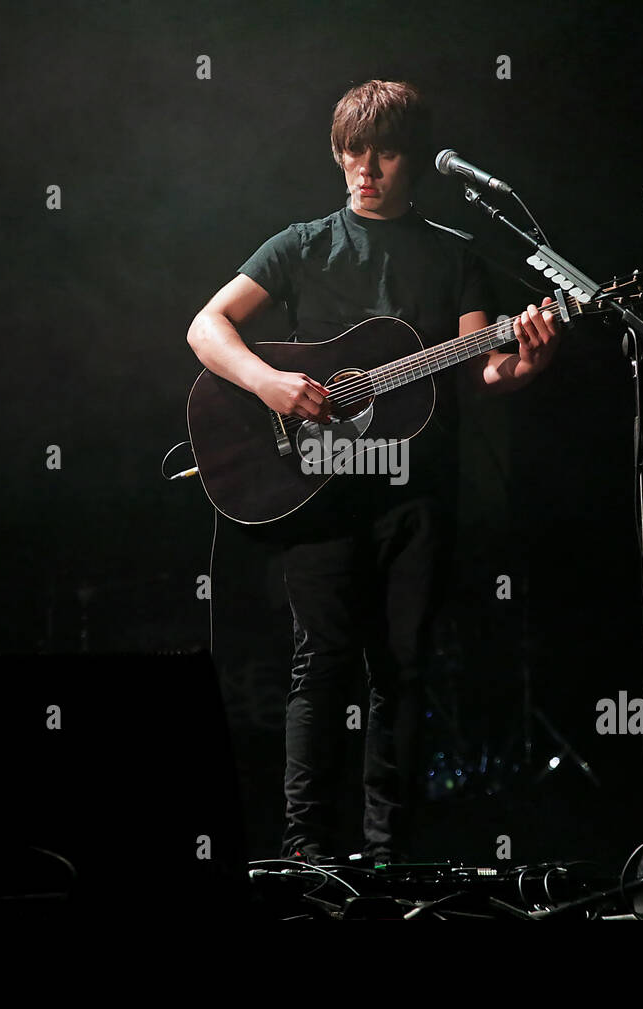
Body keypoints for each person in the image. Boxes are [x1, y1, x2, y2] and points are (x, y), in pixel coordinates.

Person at [186, 80, 560, 864]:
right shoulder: (303, 244)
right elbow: (206, 325)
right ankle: (306, 857)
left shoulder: (455, 254)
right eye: (353, 152)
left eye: (384, 152)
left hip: (416, 491)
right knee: (319, 661)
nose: (366, 168)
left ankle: (389, 858)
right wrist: (270, 383)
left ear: (413, 159)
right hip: (318, 487)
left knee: (404, 665)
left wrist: (523, 362)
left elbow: (483, 367)